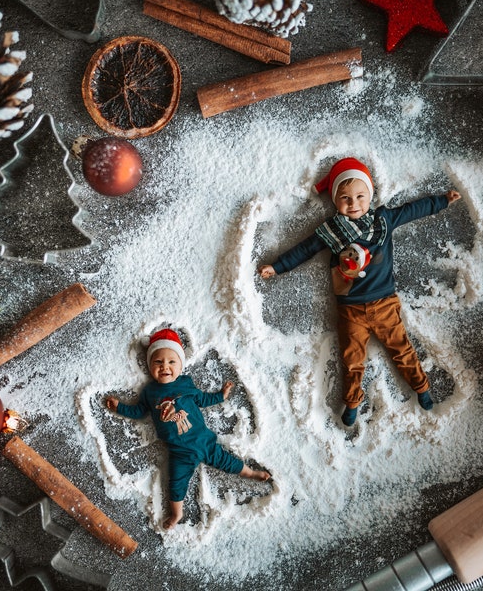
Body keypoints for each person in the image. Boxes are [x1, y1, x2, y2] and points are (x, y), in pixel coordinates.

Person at [258, 157, 461, 426]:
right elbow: (304, 249)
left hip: (384, 303)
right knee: (352, 359)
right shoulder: (331, 231)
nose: (353, 204)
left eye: (359, 196)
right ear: (335, 200)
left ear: (370, 194)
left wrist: (442, 200)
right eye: (345, 198)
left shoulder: (383, 220)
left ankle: (422, 387)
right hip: (350, 309)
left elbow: (414, 210)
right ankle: (352, 402)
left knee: (402, 349)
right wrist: (278, 266)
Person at [106, 328, 271, 529]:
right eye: (158, 362)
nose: (164, 366)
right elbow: (140, 411)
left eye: (171, 362)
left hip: (204, 441)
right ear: (150, 365)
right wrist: (120, 407)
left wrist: (221, 395)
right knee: (175, 484)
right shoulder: (150, 392)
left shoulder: (185, 384)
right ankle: (177, 513)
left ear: (180, 365)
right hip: (179, 451)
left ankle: (250, 473)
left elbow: (202, 399)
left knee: (228, 461)